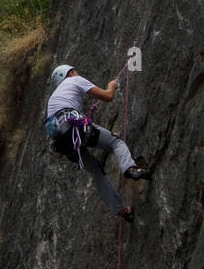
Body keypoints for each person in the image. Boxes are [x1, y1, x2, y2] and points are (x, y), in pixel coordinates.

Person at [44, 64, 151, 220]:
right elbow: (108, 96)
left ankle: (120, 210)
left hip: (62, 143)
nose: (77, 73)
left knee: (96, 171)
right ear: (71, 72)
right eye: (75, 71)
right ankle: (131, 169)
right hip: (75, 129)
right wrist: (112, 85)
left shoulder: (53, 98)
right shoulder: (75, 80)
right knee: (116, 143)